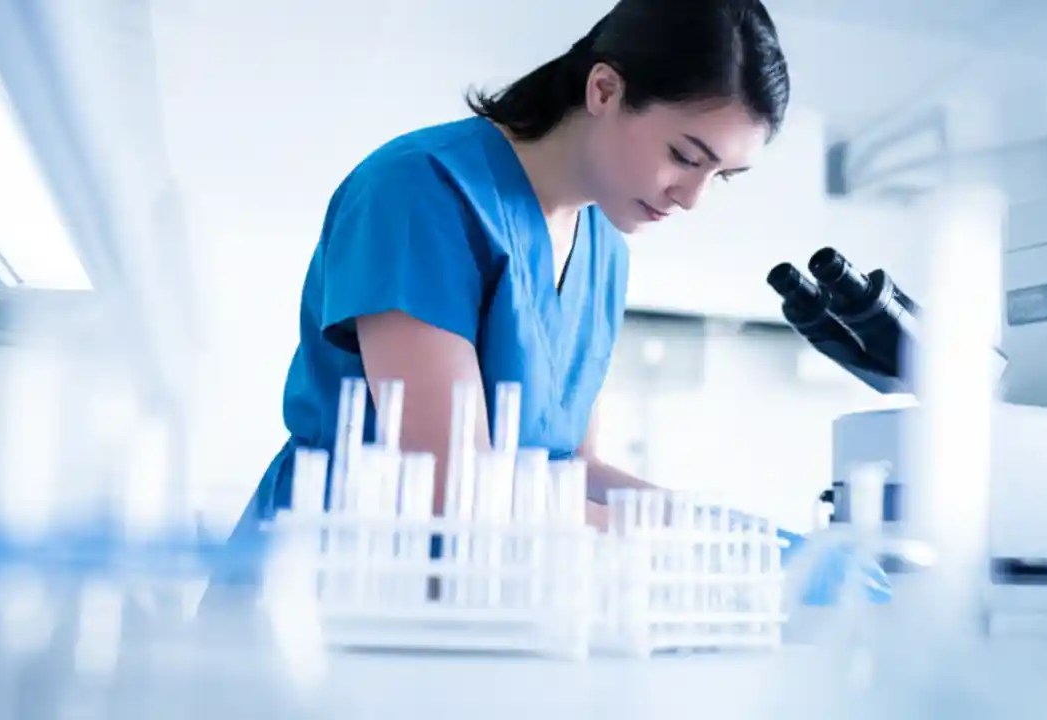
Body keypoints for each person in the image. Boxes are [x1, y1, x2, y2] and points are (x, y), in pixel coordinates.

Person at [234, 0, 790, 540]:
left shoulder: (604, 246)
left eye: (723, 176)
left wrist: (736, 533)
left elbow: (569, 470)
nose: (692, 197)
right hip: (324, 582)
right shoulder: (419, 193)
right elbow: (457, 489)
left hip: (477, 598)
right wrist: (688, 549)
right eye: (686, 157)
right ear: (604, 90)